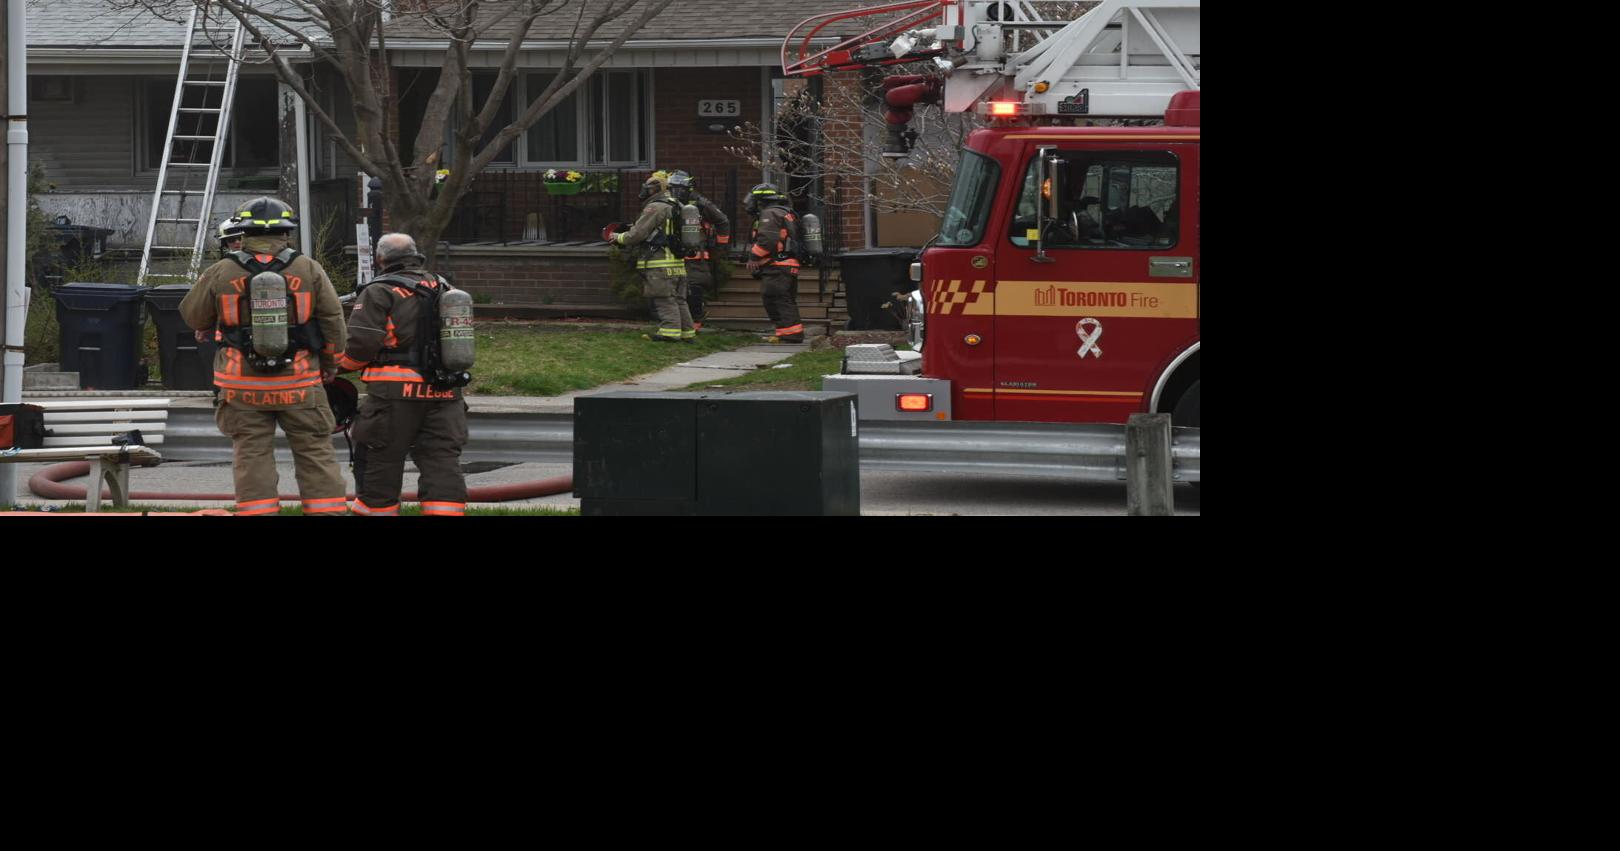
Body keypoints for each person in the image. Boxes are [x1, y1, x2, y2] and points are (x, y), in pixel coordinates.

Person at [179, 196, 349, 516]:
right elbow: (333, 323)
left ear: (242, 232)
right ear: (287, 232)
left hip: (241, 385)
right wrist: (329, 366)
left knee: (251, 454)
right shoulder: (308, 268)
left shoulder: (222, 270)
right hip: (299, 383)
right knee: (314, 451)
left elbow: (191, 315)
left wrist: (211, 322)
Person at [335, 233, 470, 517]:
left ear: (380, 259)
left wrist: (336, 369)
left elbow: (361, 346)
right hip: (445, 393)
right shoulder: (444, 286)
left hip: (394, 396)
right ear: (416, 256)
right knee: (441, 461)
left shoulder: (379, 291)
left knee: (379, 460)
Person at [613, 172, 692, 342]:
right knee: (679, 300)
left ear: (653, 189)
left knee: (664, 299)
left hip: (659, 262)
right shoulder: (677, 204)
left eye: (647, 188)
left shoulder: (655, 207)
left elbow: (638, 234)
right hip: (677, 263)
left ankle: (669, 332)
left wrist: (617, 237)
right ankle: (687, 333)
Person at [666, 170, 730, 332]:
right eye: (672, 188)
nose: (676, 192)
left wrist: (720, 247)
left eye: (679, 188)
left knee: (693, 287)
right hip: (674, 251)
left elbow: (722, 221)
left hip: (696, 253)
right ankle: (681, 323)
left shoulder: (701, 203)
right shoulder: (668, 202)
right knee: (675, 290)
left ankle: (696, 322)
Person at [745, 183, 805, 343]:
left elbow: (767, 240)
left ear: (762, 200)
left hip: (778, 265)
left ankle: (791, 334)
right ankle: (787, 333)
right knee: (784, 299)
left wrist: (754, 257)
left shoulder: (770, 213)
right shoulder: (784, 212)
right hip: (786, 263)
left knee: (774, 298)